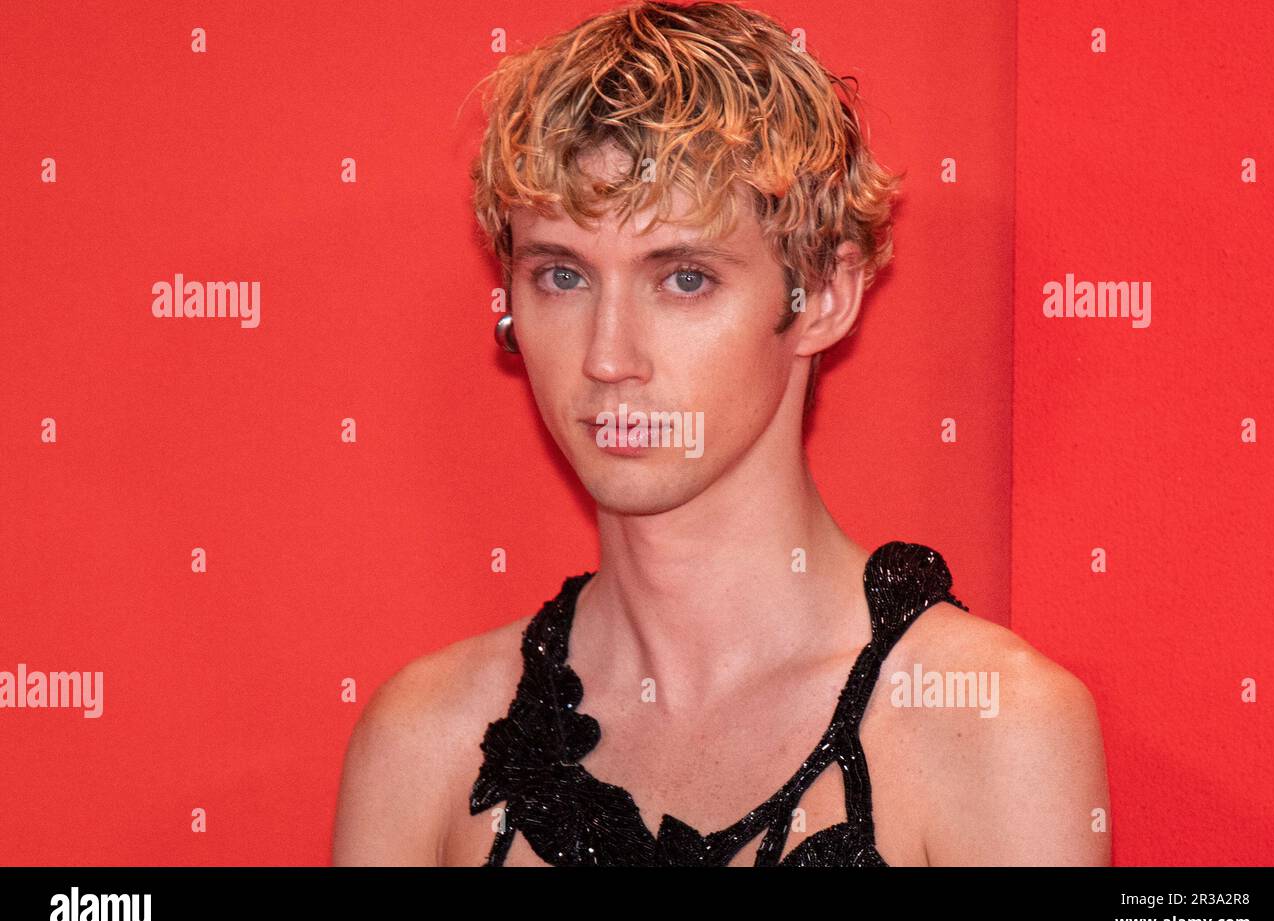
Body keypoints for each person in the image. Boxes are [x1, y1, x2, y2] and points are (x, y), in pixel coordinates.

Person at [332, 0, 1110, 866]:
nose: (607, 356)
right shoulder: (425, 742)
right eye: (561, 274)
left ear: (823, 296)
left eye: (686, 279)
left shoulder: (988, 727)